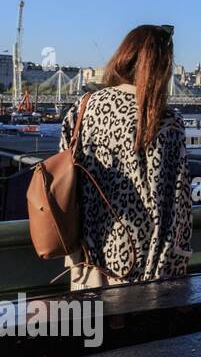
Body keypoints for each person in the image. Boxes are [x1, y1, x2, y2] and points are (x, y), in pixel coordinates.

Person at [58, 25, 192, 289]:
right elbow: (178, 204)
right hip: (142, 265)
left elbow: (62, 180)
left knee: (91, 328)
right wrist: (175, 270)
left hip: (86, 256)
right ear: (162, 67)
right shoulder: (164, 120)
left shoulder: (83, 107)